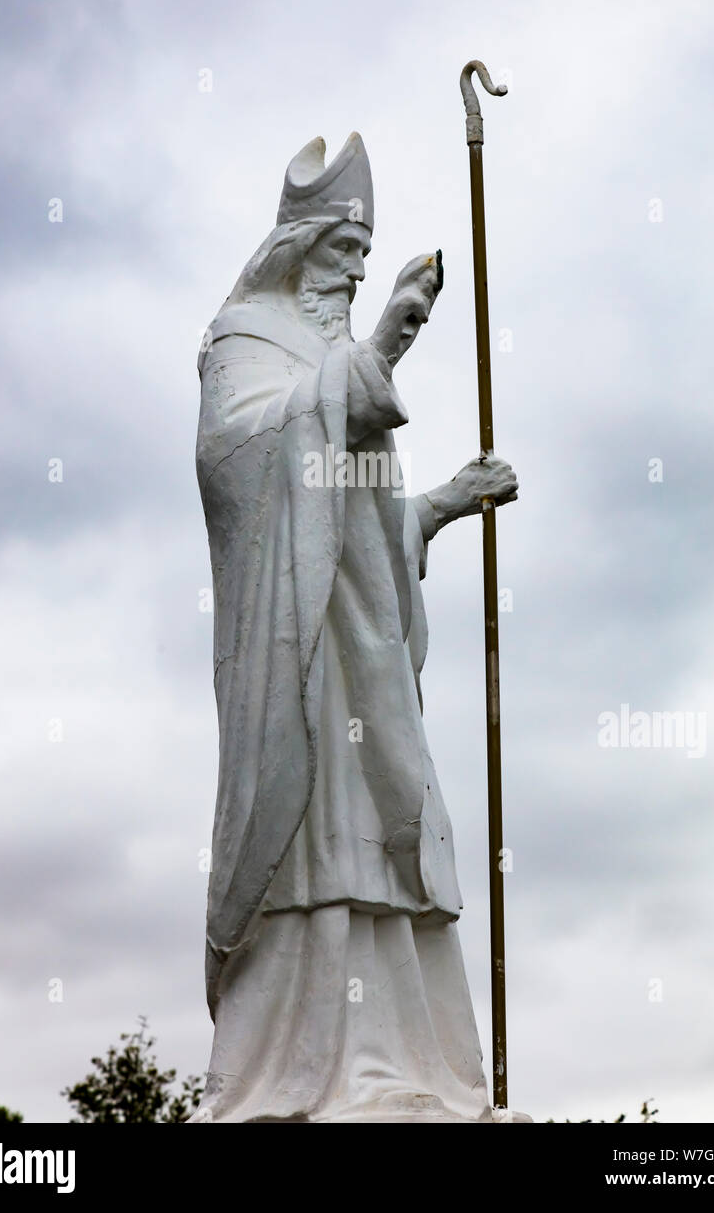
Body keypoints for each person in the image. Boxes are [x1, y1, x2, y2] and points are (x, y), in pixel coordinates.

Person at [190, 132, 518, 1123]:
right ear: (300, 250)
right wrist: (379, 354)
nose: (357, 275)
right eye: (345, 258)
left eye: (365, 263)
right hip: (293, 668)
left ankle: (404, 1060)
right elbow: (236, 463)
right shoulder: (243, 338)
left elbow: (362, 525)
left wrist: (446, 503)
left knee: (389, 829)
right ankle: (297, 1073)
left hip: (363, 666)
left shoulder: (328, 356)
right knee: (310, 837)